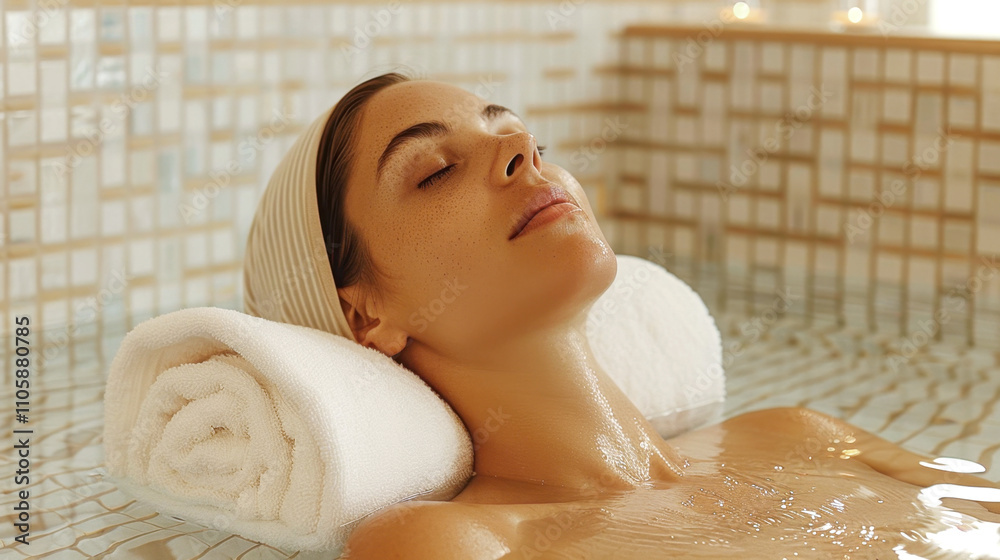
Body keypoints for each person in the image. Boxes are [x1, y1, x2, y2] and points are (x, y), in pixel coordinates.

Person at [242, 70, 1000, 559]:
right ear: (365, 315)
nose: (520, 147)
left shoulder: (800, 435)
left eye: (517, 131)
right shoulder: (451, 542)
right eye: (435, 171)